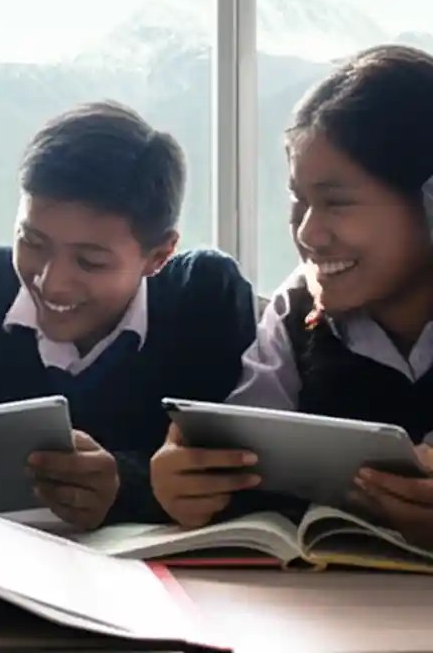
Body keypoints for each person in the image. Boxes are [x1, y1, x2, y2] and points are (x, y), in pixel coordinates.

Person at [0, 101, 256, 528]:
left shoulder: (204, 300)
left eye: (90, 262)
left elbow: (244, 475)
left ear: (159, 255)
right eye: (32, 242)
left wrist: (129, 485)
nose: (51, 283)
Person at [151, 45, 433, 548]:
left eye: (336, 203)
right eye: (297, 201)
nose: (308, 233)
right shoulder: (295, 312)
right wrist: (188, 482)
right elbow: (246, 450)